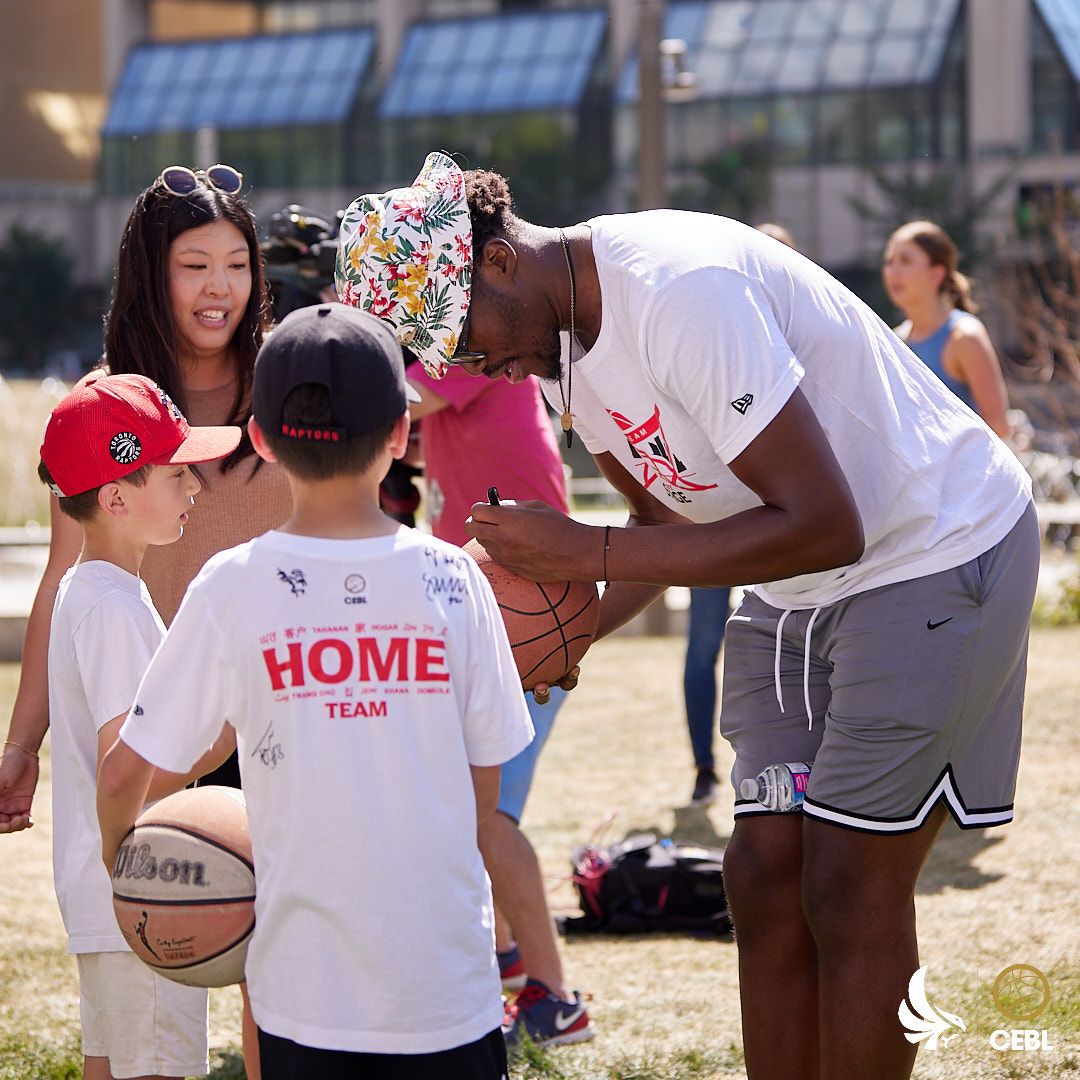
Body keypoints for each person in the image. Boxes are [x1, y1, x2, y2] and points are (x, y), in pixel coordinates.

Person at [337, 152, 1039, 1080]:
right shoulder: (555, 354)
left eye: (459, 338)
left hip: (933, 547)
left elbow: (826, 523)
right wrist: (543, 639)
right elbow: (659, 526)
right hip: (799, 584)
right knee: (759, 870)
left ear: (497, 261)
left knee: (844, 882)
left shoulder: (678, 290)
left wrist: (581, 553)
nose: (471, 366)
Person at [97, 303, 534, 1079]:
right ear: (402, 435)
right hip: (446, 985)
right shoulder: (455, 578)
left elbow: (125, 772)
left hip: (302, 996)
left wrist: (127, 879)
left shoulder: (232, 586)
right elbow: (484, 781)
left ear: (260, 440)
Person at [0, 163, 288, 1076]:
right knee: (162, 985)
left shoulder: (289, 385)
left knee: (277, 972)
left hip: (275, 709)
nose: (219, 288)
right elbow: (60, 582)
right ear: (149, 276)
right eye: (193, 264)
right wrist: (22, 743)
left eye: (236, 265)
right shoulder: (108, 410)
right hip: (161, 729)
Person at [336, 159, 594, 1047]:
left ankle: (555, 995)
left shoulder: (474, 352)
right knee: (467, 808)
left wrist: (332, 336)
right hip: (477, 606)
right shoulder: (458, 360)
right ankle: (509, 960)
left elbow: (382, 392)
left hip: (523, 610)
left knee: (487, 815)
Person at [37, 372, 242, 1080]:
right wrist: (241, 712)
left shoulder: (91, 589)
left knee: (112, 1065)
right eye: (177, 472)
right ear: (117, 496)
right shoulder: (115, 609)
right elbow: (135, 767)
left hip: (108, 900)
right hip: (144, 896)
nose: (194, 488)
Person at [882, 220, 1011, 438]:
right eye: (889, 261)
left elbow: (999, 426)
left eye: (905, 260)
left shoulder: (965, 336)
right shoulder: (895, 341)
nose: (893, 271)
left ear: (937, 274)